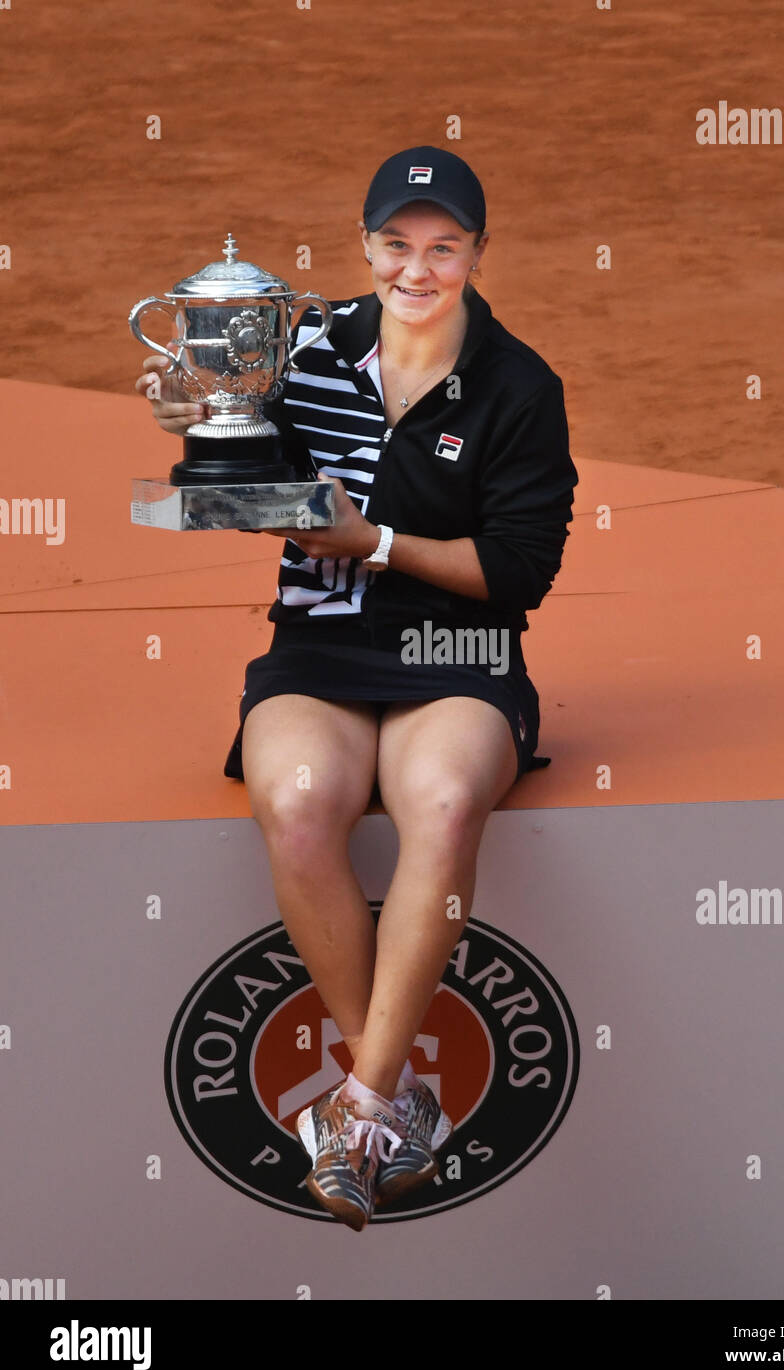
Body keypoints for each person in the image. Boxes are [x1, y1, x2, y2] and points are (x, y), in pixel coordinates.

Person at [135, 145, 578, 1232]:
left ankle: (362, 1107)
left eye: (443, 247)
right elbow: (256, 480)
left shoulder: (518, 385)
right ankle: (396, 1102)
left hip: (458, 654)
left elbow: (520, 571)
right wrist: (203, 423)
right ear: (365, 243)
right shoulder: (305, 344)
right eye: (396, 244)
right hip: (321, 651)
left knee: (437, 802)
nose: (416, 269)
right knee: (293, 804)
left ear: (477, 251)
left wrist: (375, 538)